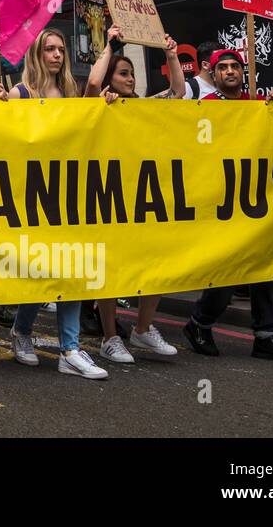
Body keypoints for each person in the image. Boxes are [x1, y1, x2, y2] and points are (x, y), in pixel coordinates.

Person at [179, 48, 273, 364]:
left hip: (256, 202)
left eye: (235, 66)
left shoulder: (258, 105)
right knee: (226, 273)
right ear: (215, 74)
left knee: (268, 266)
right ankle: (199, 324)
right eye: (223, 68)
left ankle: (266, 335)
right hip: (222, 203)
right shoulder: (204, 107)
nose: (230, 72)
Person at [0, 28, 109, 380]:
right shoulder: (20, 93)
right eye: (50, 49)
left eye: (61, 49)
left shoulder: (70, 92)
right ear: (37, 54)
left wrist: (98, 109)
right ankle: (21, 331)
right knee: (41, 270)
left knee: (71, 267)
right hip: (30, 193)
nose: (57, 55)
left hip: (66, 192)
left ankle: (70, 350)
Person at [77, 25, 184, 363]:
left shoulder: (143, 106)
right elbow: (92, 85)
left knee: (155, 263)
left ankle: (142, 329)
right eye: (123, 73)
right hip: (107, 197)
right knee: (110, 267)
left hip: (142, 197)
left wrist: (171, 55)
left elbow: (177, 93)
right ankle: (110, 336)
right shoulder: (99, 105)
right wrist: (110, 45)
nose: (131, 78)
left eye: (132, 73)